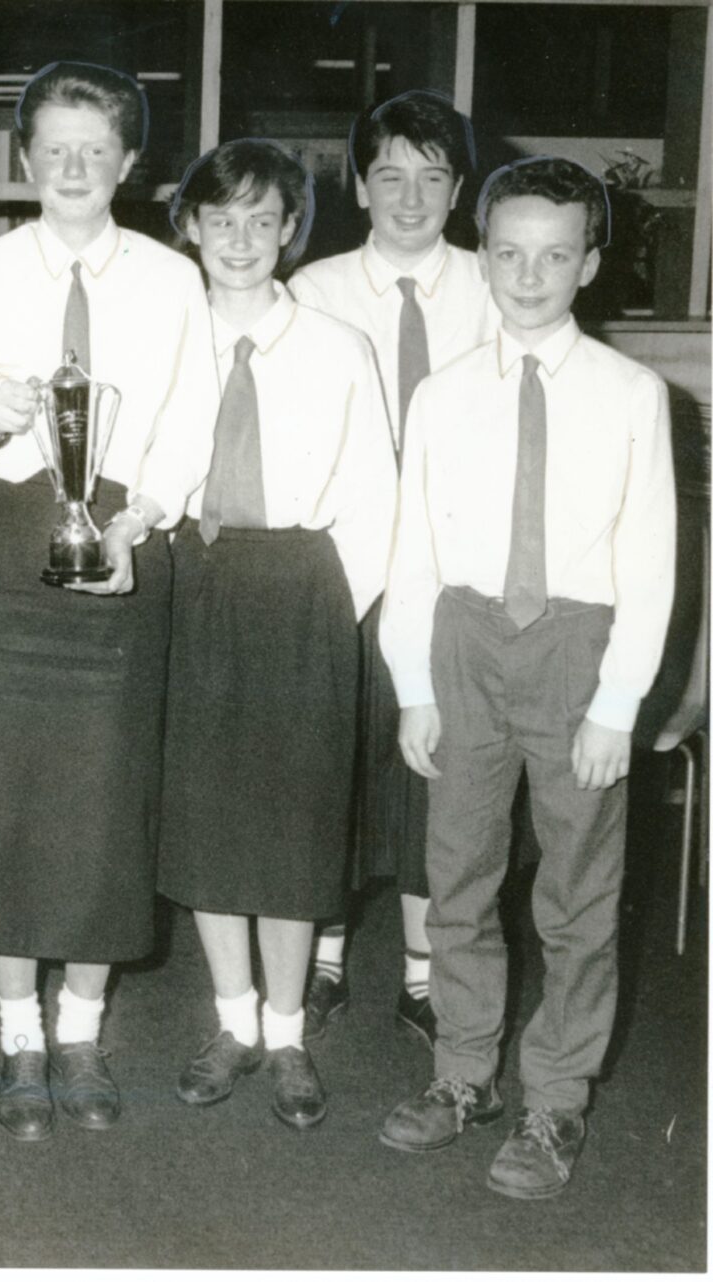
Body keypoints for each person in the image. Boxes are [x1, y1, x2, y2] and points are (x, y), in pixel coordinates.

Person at [377, 157, 674, 1199]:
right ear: (483, 255)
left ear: (587, 263)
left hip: (573, 646)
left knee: (574, 895)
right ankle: (461, 1075)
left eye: (553, 255)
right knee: (455, 877)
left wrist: (614, 702)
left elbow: (648, 558)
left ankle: (553, 1098)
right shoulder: (440, 391)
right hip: (463, 638)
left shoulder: (633, 396)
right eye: (506, 252)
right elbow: (410, 547)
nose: (527, 274)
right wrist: (414, 682)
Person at [0, 61, 217, 1141]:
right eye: (53, 149)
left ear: (129, 164)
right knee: (10, 789)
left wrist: (136, 526)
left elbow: (187, 417)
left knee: (102, 793)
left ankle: (81, 1028)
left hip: (122, 532)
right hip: (14, 539)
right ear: (21, 159)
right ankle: (14, 1035)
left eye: (95, 151)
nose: (72, 169)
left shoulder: (168, 277)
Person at [156, 141, 396, 1131]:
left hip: (302, 589)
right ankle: (232, 1021)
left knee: (294, 820)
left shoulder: (338, 347)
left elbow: (374, 501)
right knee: (209, 813)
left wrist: (328, 616)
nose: (241, 240)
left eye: (262, 220)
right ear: (190, 229)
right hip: (197, 575)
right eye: (221, 220)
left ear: (291, 229)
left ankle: (289, 1031)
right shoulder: (161, 338)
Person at [288, 90, 497, 1046]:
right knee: (334, 759)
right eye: (388, 176)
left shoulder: (499, 287)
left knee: (435, 767)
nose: (409, 198)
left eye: (431, 177)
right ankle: (324, 955)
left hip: (455, 568)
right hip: (344, 562)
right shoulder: (312, 292)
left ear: (458, 190)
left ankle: (421, 970)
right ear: (359, 187)